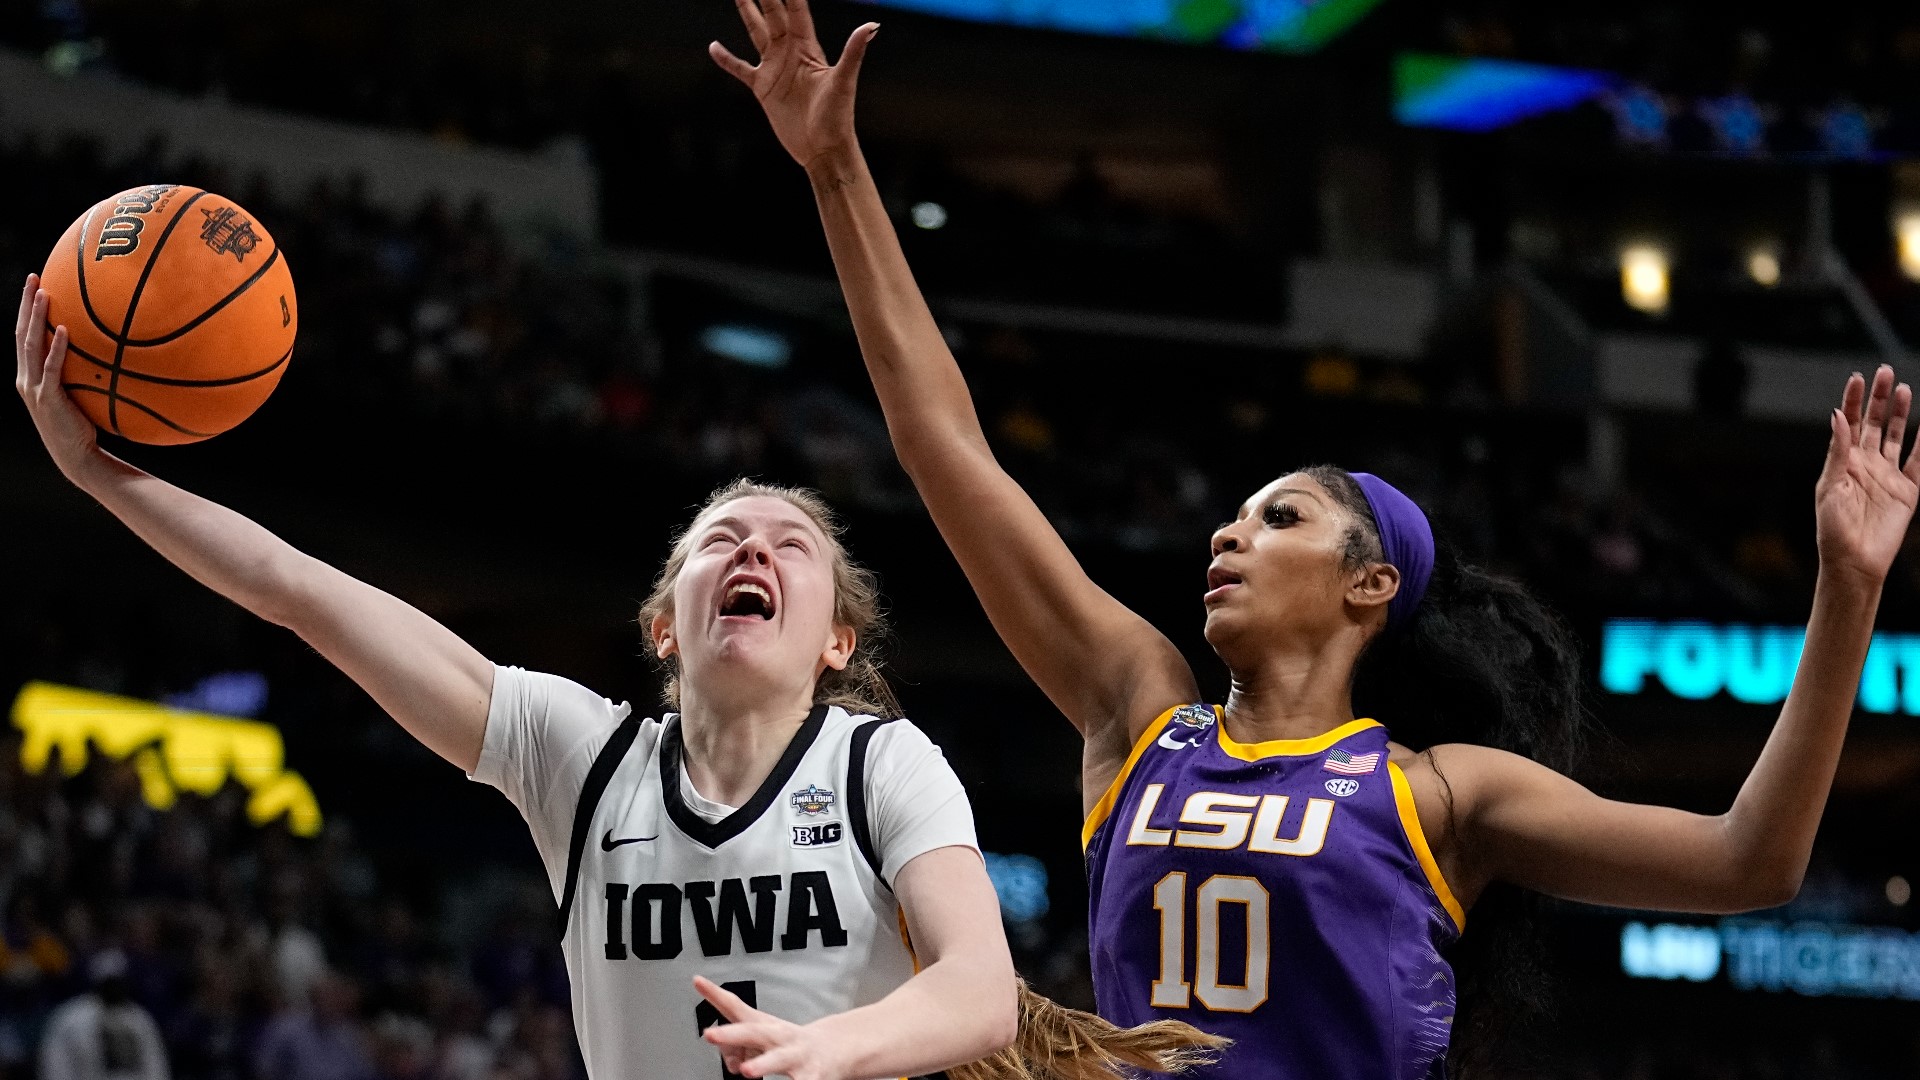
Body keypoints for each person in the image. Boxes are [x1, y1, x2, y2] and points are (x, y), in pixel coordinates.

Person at [709, 3, 1920, 1074]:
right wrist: (835, 169)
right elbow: (944, 446)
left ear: (1369, 583)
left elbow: (1750, 861)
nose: (1229, 534)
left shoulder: (1439, 792)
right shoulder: (1141, 714)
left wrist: (1848, 589)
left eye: (1279, 516)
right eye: (1238, 515)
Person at [14, 279, 1221, 1080]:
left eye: (789, 547)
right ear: (664, 626)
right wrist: (99, 475)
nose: (751, 552)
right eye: (721, 541)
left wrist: (827, 1051)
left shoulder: (882, 765)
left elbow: (980, 993)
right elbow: (298, 589)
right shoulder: (580, 760)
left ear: (837, 644)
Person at [38, 950, 170, 1080]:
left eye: (118, 982)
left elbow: (155, 1064)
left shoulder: (138, 1017)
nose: (114, 988)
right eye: (109, 982)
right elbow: (56, 1065)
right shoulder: (71, 1017)